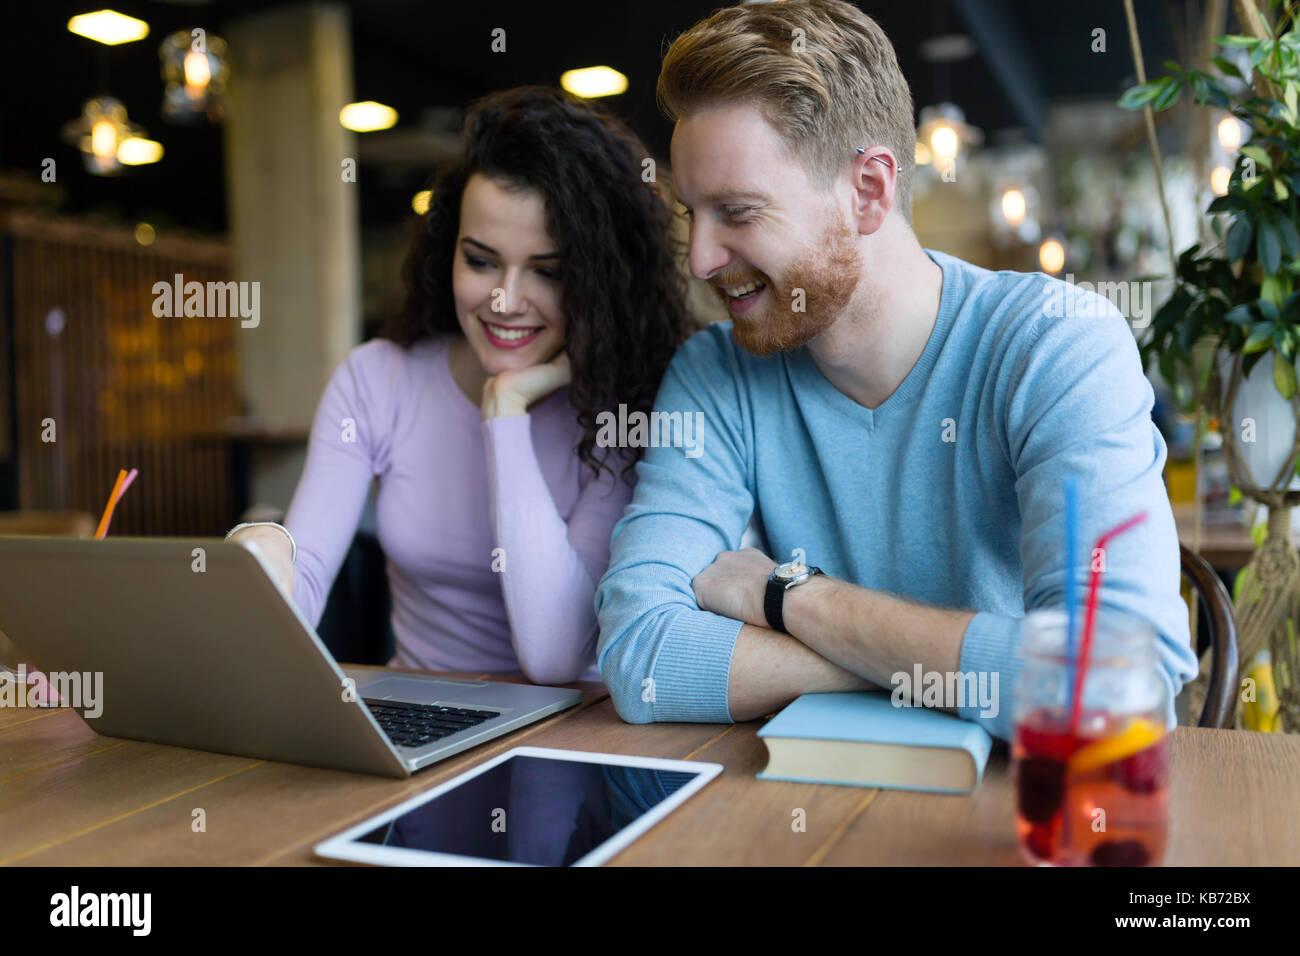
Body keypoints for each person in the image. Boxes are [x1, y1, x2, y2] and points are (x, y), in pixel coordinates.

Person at [594, 0, 1198, 739]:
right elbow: (640, 658)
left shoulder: (1056, 344)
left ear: (869, 192)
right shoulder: (714, 373)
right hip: (800, 800)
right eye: (693, 214)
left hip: (1016, 803)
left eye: (739, 212)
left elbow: (1120, 689)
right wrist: (929, 669)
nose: (699, 260)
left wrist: (791, 598)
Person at [229, 86, 692, 684]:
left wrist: (505, 412)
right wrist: (265, 551)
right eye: (481, 260)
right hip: (413, 714)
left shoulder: (622, 410)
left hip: (574, 725)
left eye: (548, 272)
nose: (504, 300)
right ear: (448, 251)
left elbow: (554, 654)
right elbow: (306, 582)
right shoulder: (378, 380)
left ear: (601, 279)